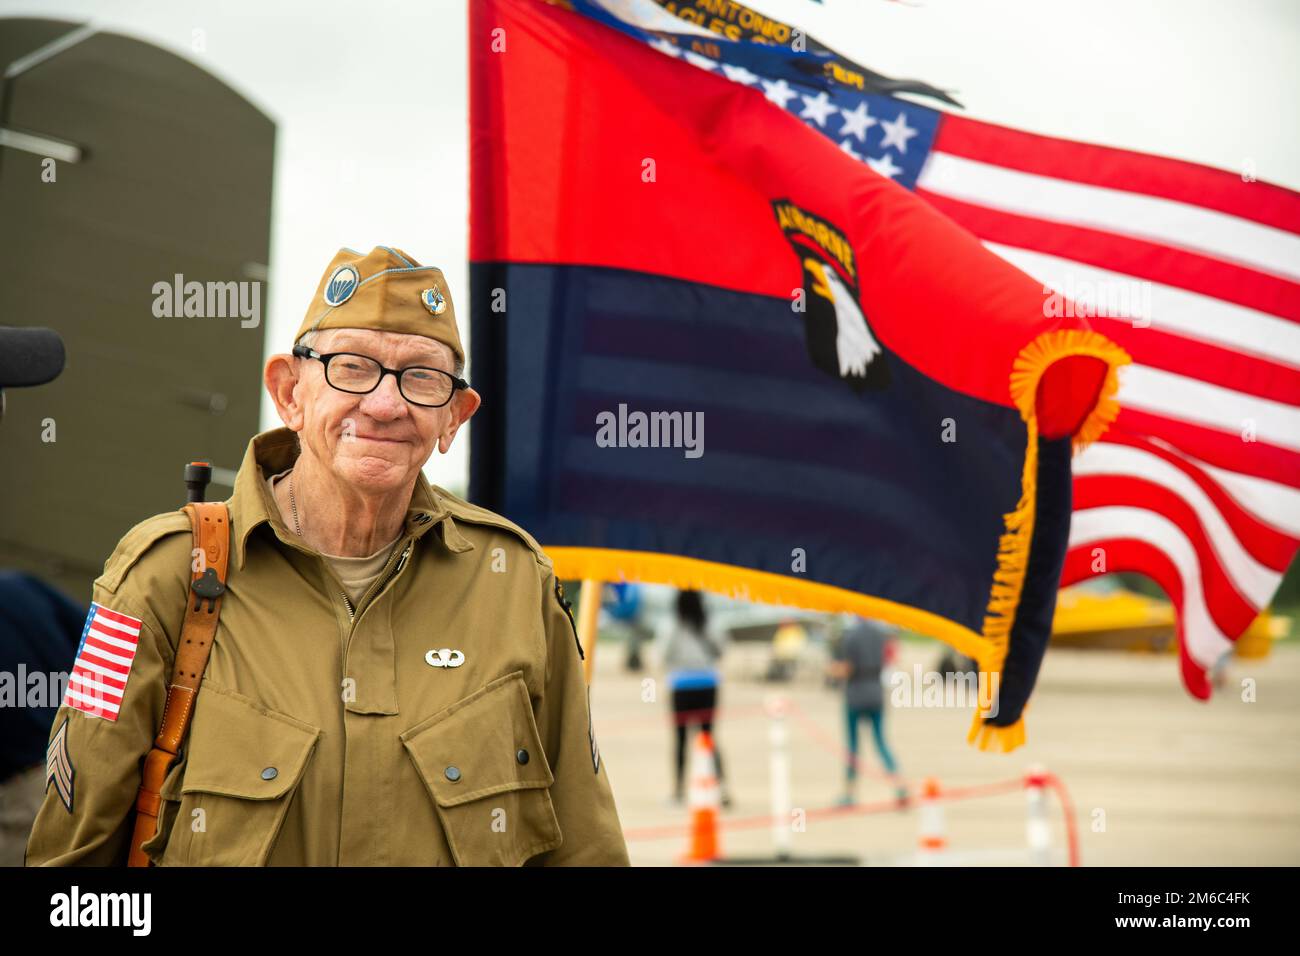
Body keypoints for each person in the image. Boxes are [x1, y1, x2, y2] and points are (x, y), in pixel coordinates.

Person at [24, 245, 630, 866]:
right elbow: (71, 869)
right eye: (352, 367)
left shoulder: (516, 584)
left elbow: (587, 848)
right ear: (289, 392)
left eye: (422, 377)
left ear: (454, 416)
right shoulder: (156, 576)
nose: (386, 405)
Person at [656, 588, 730, 807]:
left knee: (680, 740)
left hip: (681, 686)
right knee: (708, 737)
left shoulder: (670, 625)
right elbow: (721, 650)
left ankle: (679, 791)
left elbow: (663, 655)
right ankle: (721, 787)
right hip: (708, 684)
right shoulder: (711, 623)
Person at [828, 616, 907, 808]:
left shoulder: (850, 636)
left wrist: (832, 671)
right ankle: (899, 785)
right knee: (881, 742)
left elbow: (847, 668)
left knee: (853, 746)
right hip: (876, 691)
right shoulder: (881, 635)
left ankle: (849, 793)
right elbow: (892, 660)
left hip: (855, 693)